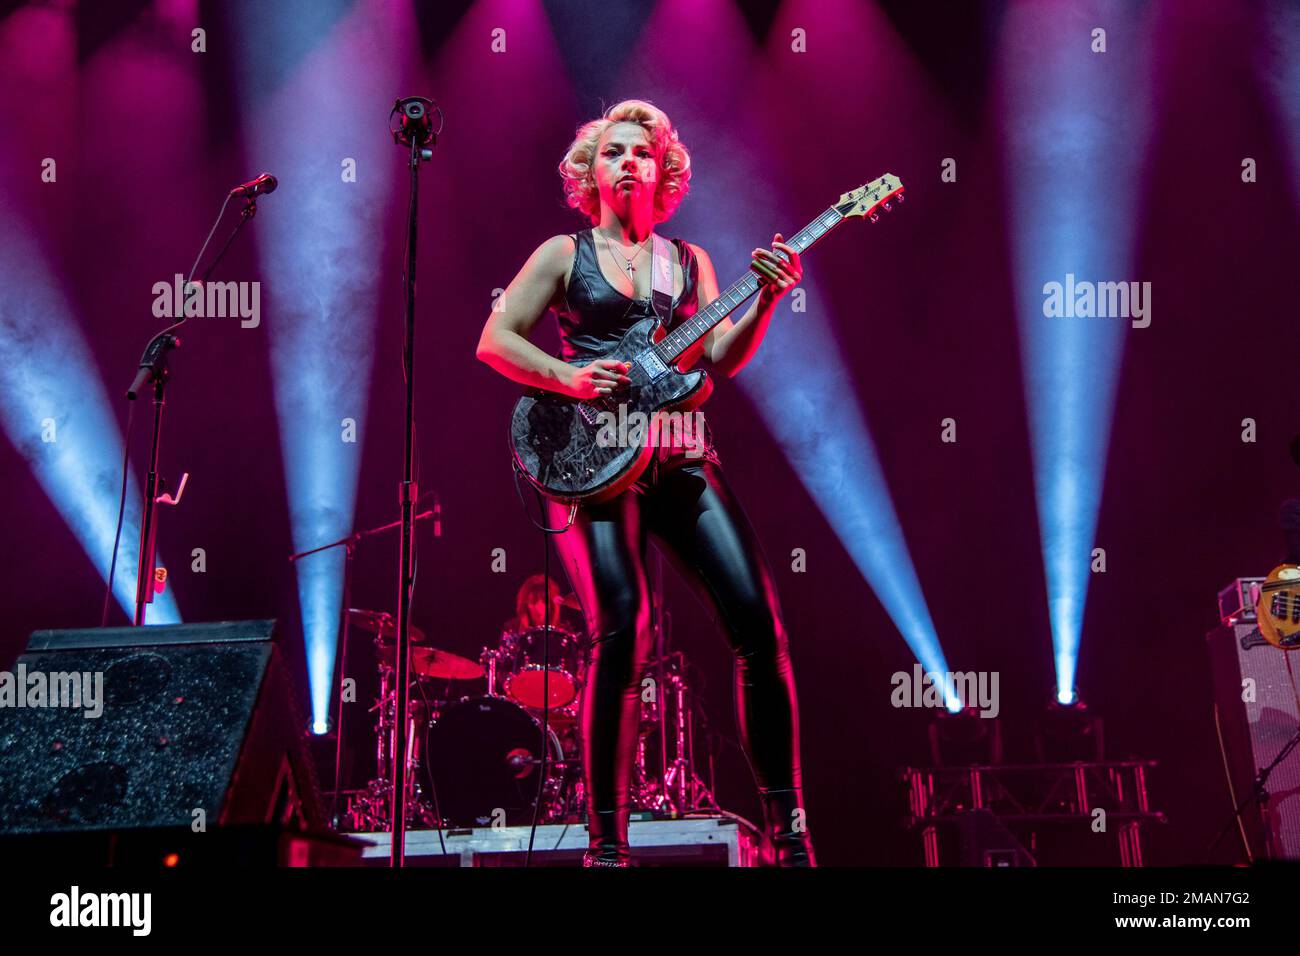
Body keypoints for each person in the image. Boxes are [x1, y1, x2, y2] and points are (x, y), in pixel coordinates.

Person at [477, 99, 814, 866]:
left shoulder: (689, 262)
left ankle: (790, 831)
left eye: (642, 152)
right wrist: (570, 377)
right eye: (613, 151)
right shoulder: (563, 254)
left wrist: (766, 297)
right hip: (594, 463)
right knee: (623, 634)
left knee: (760, 629)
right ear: (590, 172)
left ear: (662, 172)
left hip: (681, 450)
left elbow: (720, 360)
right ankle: (606, 844)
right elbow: (495, 341)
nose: (629, 161)